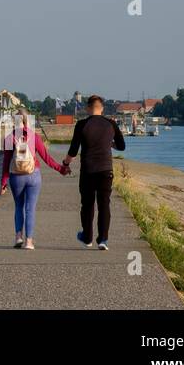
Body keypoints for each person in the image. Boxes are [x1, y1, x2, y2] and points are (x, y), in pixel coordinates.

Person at [63, 95, 126, 251]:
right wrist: (109, 144)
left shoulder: (82, 124)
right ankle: (103, 239)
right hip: (106, 170)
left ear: (88, 108)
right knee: (104, 204)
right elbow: (122, 146)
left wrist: (65, 163)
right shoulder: (111, 124)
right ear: (102, 108)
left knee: (88, 204)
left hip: (88, 170)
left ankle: (87, 237)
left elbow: (73, 150)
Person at [0, 112, 68, 249]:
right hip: (33, 175)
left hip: (16, 177)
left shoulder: (9, 138)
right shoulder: (35, 137)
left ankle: (18, 237)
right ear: (27, 121)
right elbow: (47, 158)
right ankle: (29, 242)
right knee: (30, 209)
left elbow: (6, 163)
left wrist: (3, 183)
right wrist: (61, 169)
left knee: (19, 207)